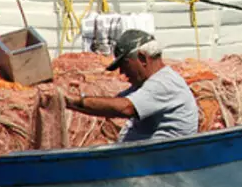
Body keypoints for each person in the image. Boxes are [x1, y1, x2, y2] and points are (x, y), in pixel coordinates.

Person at [64, 29, 199, 143]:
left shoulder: (163, 83)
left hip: (159, 164)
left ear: (142, 58)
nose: (122, 72)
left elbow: (125, 108)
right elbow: (110, 107)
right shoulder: (147, 84)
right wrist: (66, 103)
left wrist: (71, 100)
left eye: (125, 65)